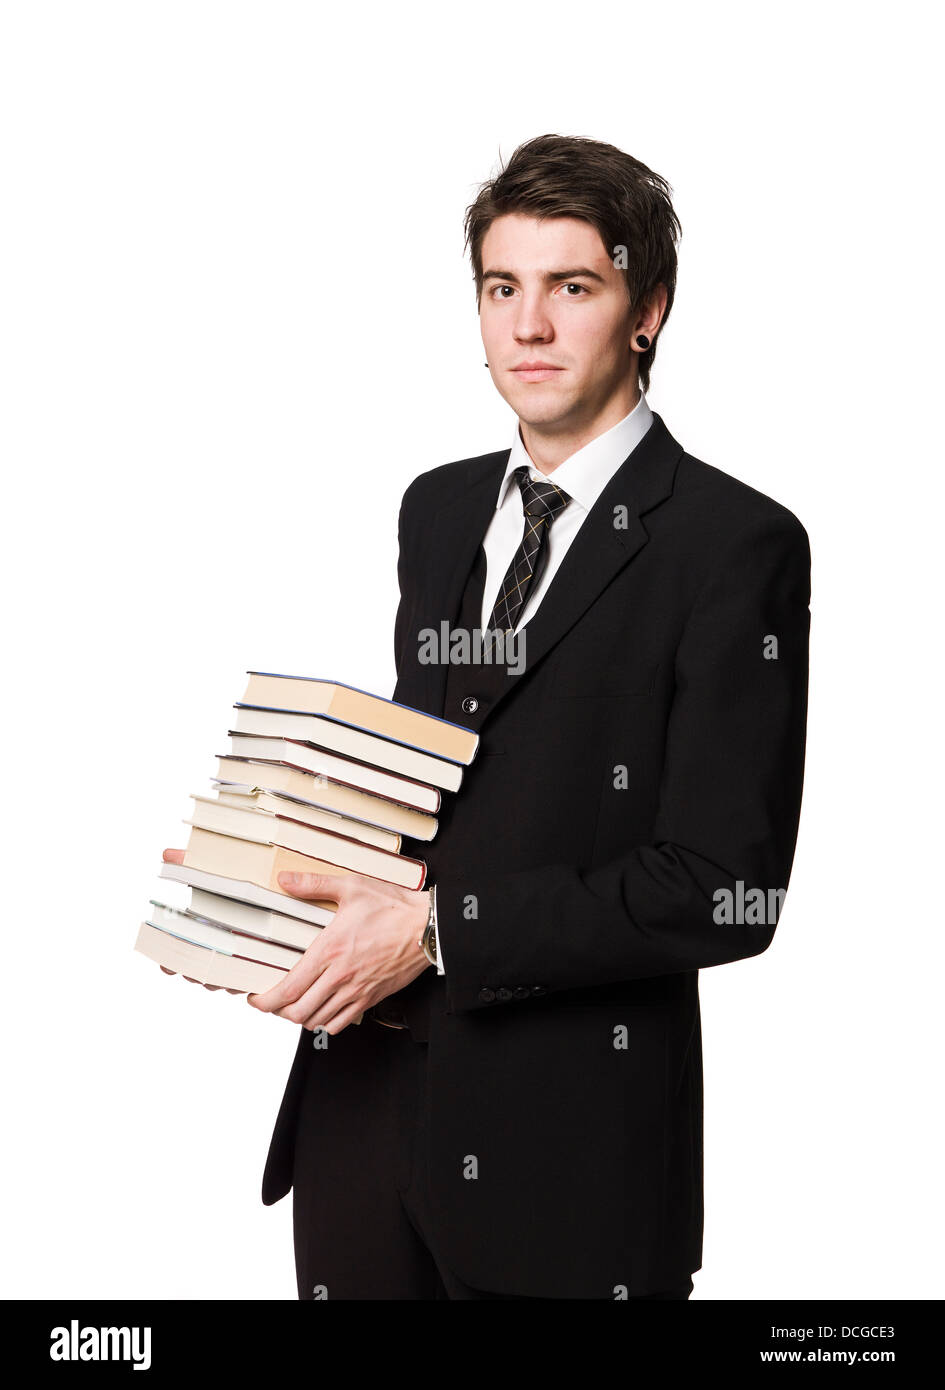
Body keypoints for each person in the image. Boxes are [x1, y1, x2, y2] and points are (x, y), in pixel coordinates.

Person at [165, 133, 810, 1300]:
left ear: (647, 308)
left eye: (574, 287)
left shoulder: (735, 545)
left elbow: (722, 884)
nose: (529, 326)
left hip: (570, 1149)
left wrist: (437, 932)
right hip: (361, 1107)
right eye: (501, 289)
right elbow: (441, 788)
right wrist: (270, 887)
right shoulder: (439, 507)